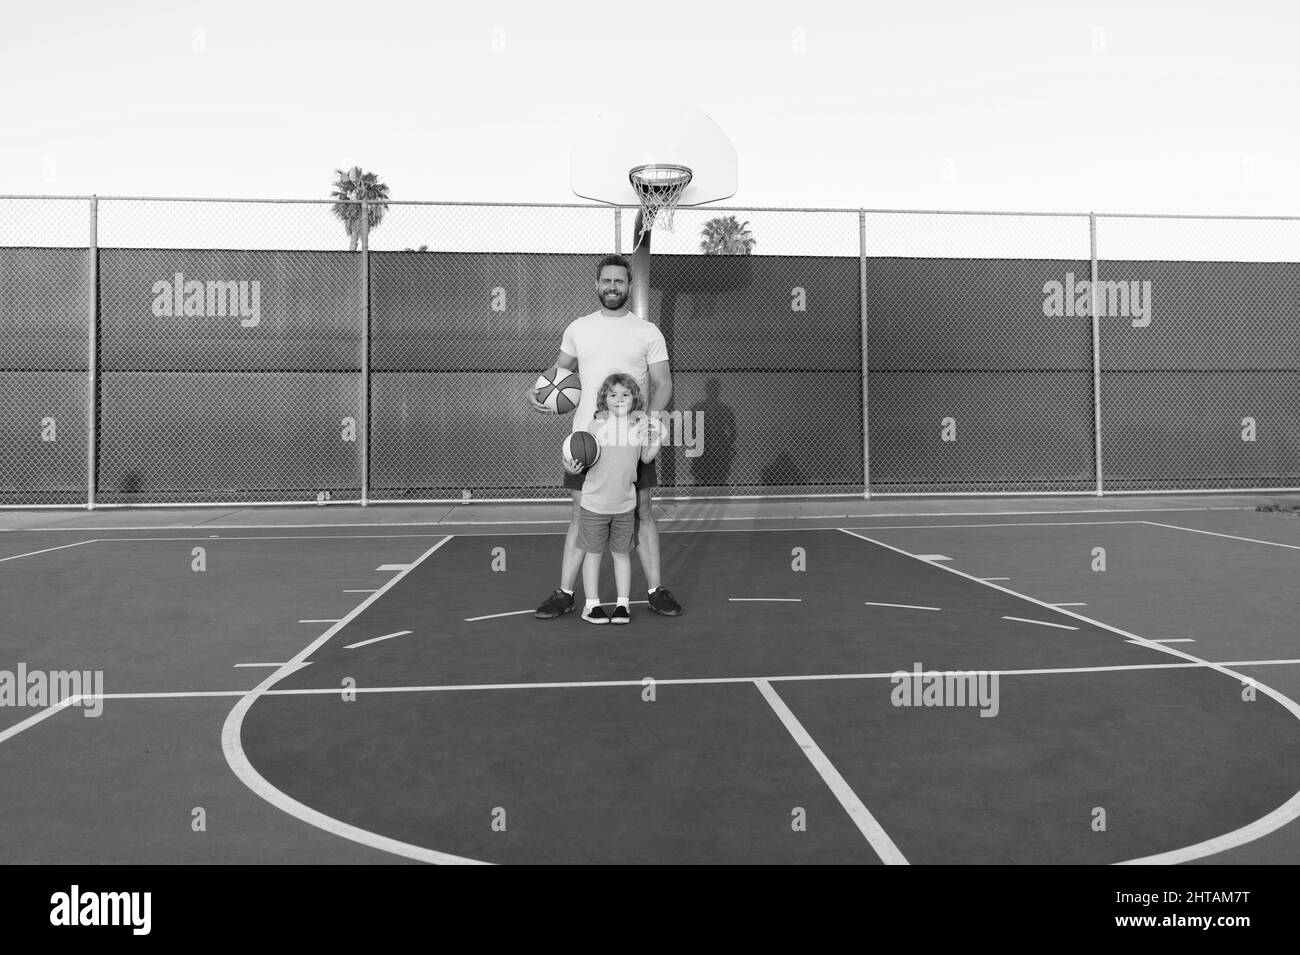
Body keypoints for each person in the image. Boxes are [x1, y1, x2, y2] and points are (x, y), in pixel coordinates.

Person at [527, 253, 683, 619]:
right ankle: (565, 593)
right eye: (606, 281)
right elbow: (558, 372)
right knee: (581, 514)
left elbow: (663, 385)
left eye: (619, 281)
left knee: (643, 512)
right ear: (596, 285)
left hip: (632, 441)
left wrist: (650, 424)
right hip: (587, 441)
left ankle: (656, 589)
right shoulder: (578, 328)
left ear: (630, 287)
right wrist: (535, 391)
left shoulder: (648, 332)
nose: (612, 287)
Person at [573, 374, 666, 624]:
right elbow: (579, 456)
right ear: (604, 399)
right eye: (613, 394)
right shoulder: (596, 426)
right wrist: (571, 466)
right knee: (592, 554)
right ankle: (591, 606)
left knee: (622, 555)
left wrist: (658, 439)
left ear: (634, 398)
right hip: (594, 504)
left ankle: (622, 605)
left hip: (625, 505)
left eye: (625, 394)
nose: (619, 399)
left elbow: (646, 458)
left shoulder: (637, 427)